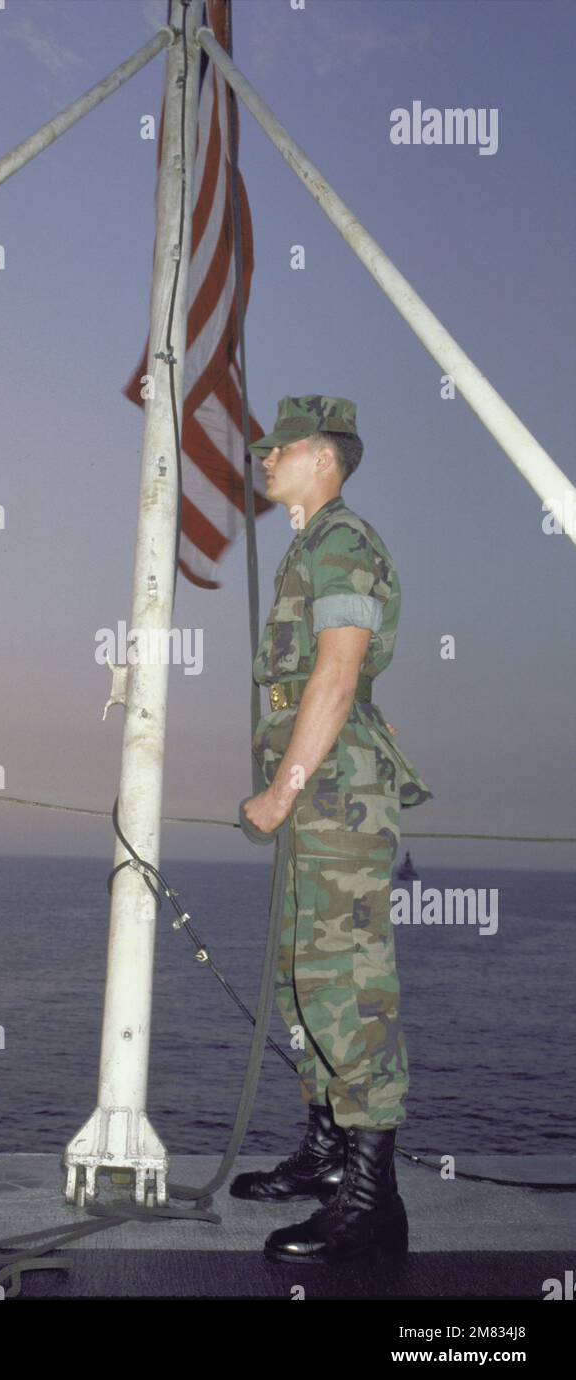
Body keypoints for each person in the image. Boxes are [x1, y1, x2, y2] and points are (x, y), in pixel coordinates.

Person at [231, 394, 431, 1264]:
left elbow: (338, 671)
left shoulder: (342, 540)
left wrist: (284, 786)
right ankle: (324, 1150)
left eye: (276, 448)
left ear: (320, 453)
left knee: (346, 981)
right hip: (322, 787)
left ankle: (371, 1199)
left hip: (333, 791)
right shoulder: (310, 545)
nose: (261, 459)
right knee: (301, 975)